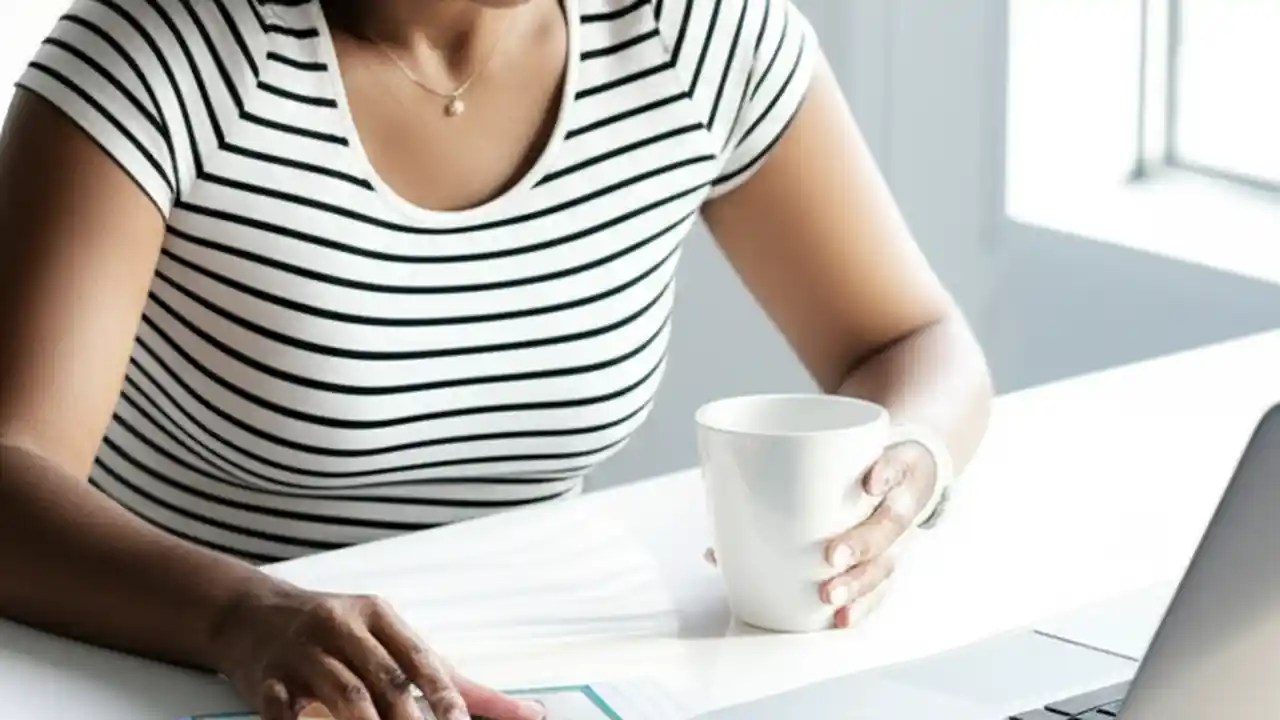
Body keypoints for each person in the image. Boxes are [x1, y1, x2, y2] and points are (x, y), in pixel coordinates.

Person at [0, 0, 992, 718]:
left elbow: (908, 339)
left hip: (548, 675)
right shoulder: (151, 54)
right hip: (185, 675)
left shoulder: (696, 39)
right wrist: (243, 617)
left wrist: (902, 474)